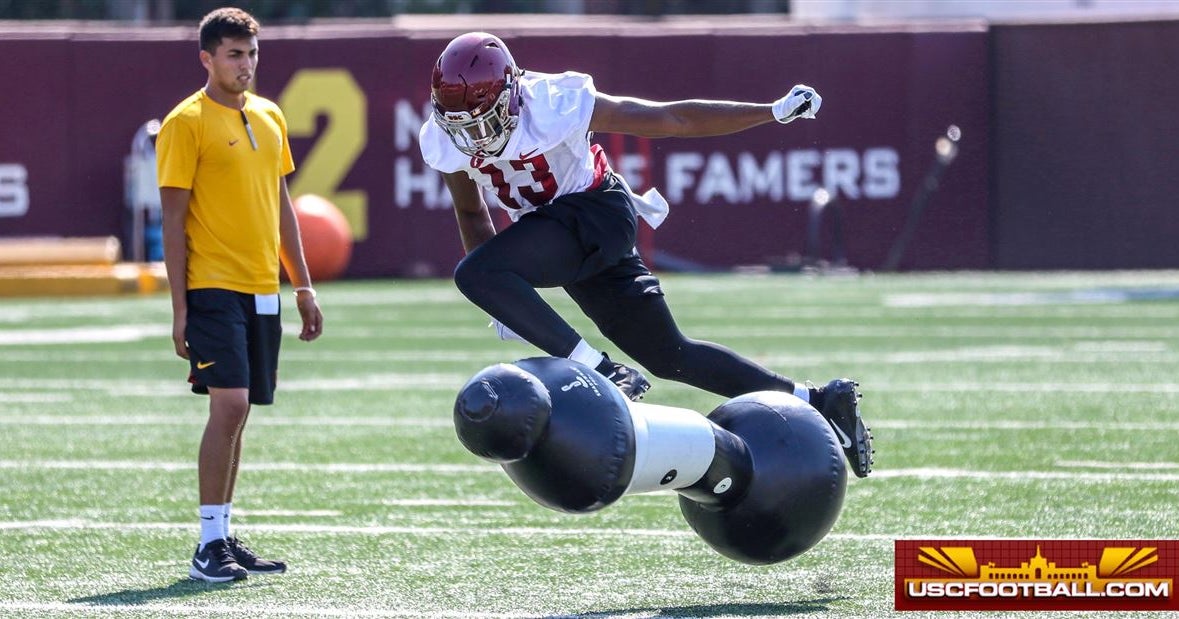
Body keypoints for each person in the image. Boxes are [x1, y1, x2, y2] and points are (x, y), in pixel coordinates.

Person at [419, 32, 874, 478]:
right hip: (557, 234)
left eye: (484, 121)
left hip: (597, 213)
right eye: (463, 127)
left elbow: (671, 119)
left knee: (473, 274)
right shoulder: (443, 138)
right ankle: (816, 400)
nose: (476, 137)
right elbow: (471, 210)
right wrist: (502, 300)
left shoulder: (556, 101)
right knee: (670, 355)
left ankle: (598, 369)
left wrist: (768, 113)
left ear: (514, 94)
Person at [156, 7, 323, 583]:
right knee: (228, 404)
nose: (245, 64)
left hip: (262, 289)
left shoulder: (270, 115)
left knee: (241, 411)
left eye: (251, 53)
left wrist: (302, 285)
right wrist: (179, 307)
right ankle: (206, 544)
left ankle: (223, 533)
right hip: (211, 286)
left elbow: (282, 208)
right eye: (233, 54)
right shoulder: (186, 121)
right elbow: (172, 223)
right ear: (207, 58)